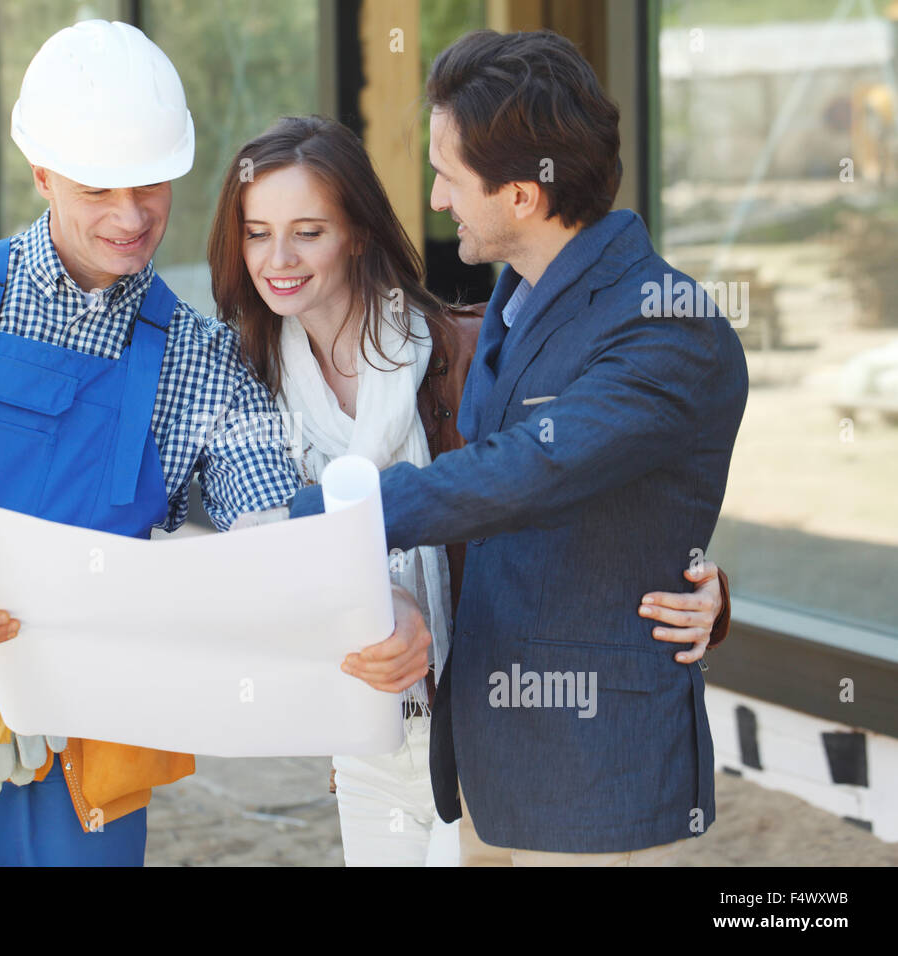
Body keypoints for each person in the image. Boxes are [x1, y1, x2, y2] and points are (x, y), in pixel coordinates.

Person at [0, 19, 431, 867]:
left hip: (87, 719)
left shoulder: (202, 358)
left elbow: (270, 525)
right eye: (100, 188)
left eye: (151, 184)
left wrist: (374, 601)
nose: (132, 215)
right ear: (41, 173)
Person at [217, 115, 733, 866]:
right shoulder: (247, 379)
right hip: (365, 729)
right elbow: (252, 563)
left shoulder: (460, 353)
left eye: (308, 231)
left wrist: (701, 583)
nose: (279, 259)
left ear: (357, 233)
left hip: (485, 732)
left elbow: (545, 493)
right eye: (258, 233)